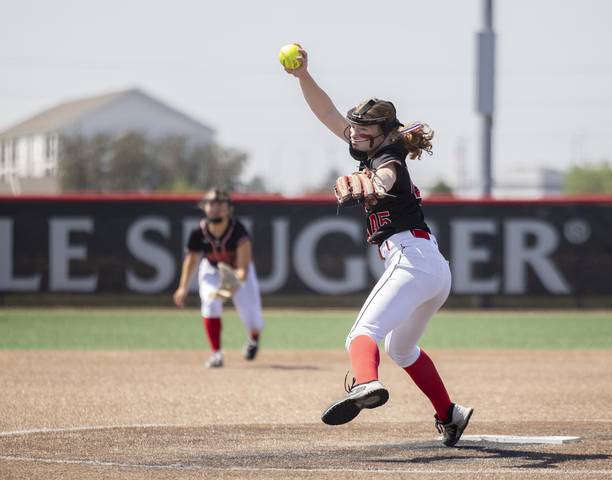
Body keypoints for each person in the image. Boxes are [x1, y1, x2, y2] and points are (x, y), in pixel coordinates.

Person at [284, 45, 473, 447]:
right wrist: (304, 76)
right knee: (401, 349)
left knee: (360, 335)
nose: (354, 132)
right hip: (433, 268)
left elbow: (386, 177)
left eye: (364, 128)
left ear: (385, 133)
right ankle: (450, 415)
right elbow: (327, 113)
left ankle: (366, 383)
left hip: (411, 260)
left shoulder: (388, 159)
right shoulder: (375, 149)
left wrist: (372, 183)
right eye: (356, 126)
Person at [173, 188, 264, 368]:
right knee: (210, 303)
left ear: (229, 208)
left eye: (221, 204)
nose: (216, 208)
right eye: (211, 204)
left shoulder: (239, 231)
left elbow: (243, 269)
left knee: (254, 321)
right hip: (212, 270)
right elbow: (191, 260)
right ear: (204, 207)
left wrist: (232, 284)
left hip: (237, 272)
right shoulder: (198, 232)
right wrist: (183, 287)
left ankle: (253, 339)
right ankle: (216, 354)